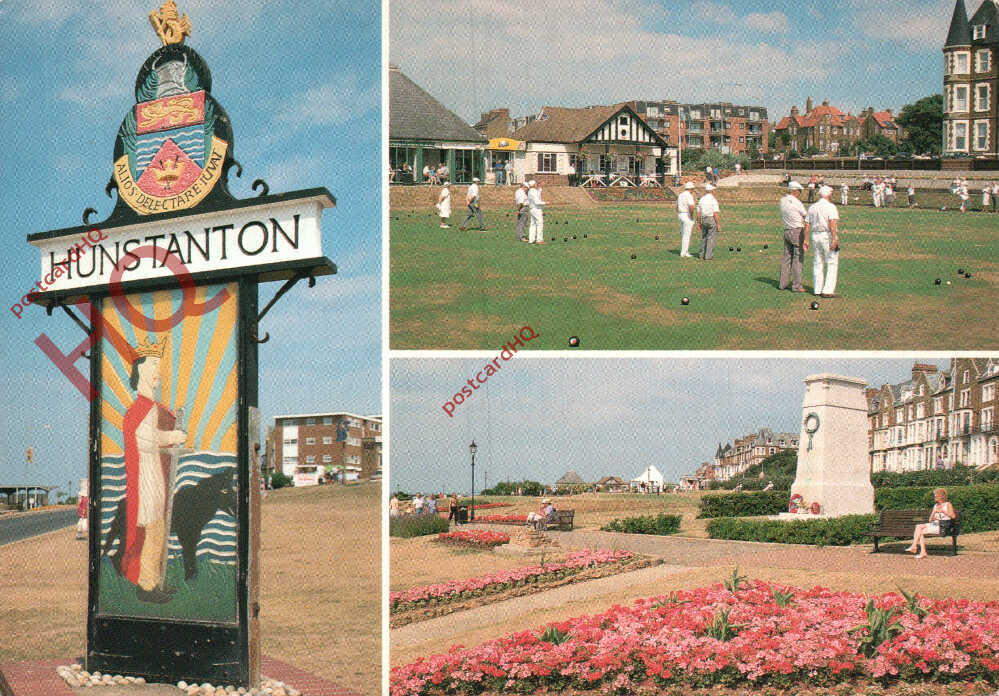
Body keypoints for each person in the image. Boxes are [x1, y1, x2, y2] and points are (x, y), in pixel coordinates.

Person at [120, 337, 187, 604]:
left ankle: (153, 582)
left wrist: (170, 436)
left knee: (157, 530)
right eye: (154, 365)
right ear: (142, 371)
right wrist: (172, 436)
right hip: (144, 478)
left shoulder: (148, 409)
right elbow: (144, 441)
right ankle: (146, 586)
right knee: (151, 530)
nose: (158, 371)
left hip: (153, 475)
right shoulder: (138, 410)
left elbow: (150, 438)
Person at [807, 185, 840, 298]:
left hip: (815, 235)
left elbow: (807, 223)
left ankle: (817, 289)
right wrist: (834, 238)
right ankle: (828, 290)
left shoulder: (812, 207)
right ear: (829, 194)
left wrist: (805, 239)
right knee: (831, 262)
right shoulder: (831, 207)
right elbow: (832, 223)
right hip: (827, 235)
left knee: (818, 262)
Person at [778, 181, 810, 292]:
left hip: (786, 230)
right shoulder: (797, 202)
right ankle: (797, 286)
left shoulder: (782, 200)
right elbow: (806, 216)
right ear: (796, 190)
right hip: (797, 231)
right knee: (798, 259)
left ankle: (783, 283)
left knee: (786, 258)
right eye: (799, 191)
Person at [906, 488, 955, 559]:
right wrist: (934, 514)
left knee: (919, 529)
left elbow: (953, 516)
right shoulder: (935, 506)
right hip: (935, 524)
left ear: (940, 496)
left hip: (943, 526)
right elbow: (930, 519)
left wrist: (943, 511)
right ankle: (921, 551)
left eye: (935, 496)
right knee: (919, 528)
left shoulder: (947, 504)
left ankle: (915, 547)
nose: (934, 497)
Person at [696, 182, 721, 260]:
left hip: (703, 219)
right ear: (712, 191)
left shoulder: (701, 199)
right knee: (711, 238)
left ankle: (701, 255)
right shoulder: (713, 200)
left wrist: (699, 223)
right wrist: (718, 224)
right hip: (711, 219)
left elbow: (698, 212)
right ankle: (708, 256)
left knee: (704, 237)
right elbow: (715, 213)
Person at [676, 181, 696, 258]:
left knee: (683, 234)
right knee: (686, 235)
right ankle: (684, 252)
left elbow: (676, 206)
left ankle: (685, 251)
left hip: (680, 214)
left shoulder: (680, 195)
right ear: (691, 189)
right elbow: (691, 206)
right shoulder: (689, 196)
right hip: (686, 214)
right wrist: (691, 216)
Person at [527, 179, 546, 244]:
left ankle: (531, 240)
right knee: (539, 224)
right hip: (536, 209)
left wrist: (540, 186)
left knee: (533, 224)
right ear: (534, 185)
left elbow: (539, 191)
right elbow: (537, 202)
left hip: (532, 209)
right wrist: (545, 203)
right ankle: (539, 240)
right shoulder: (534, 191)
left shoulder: (530, 191)